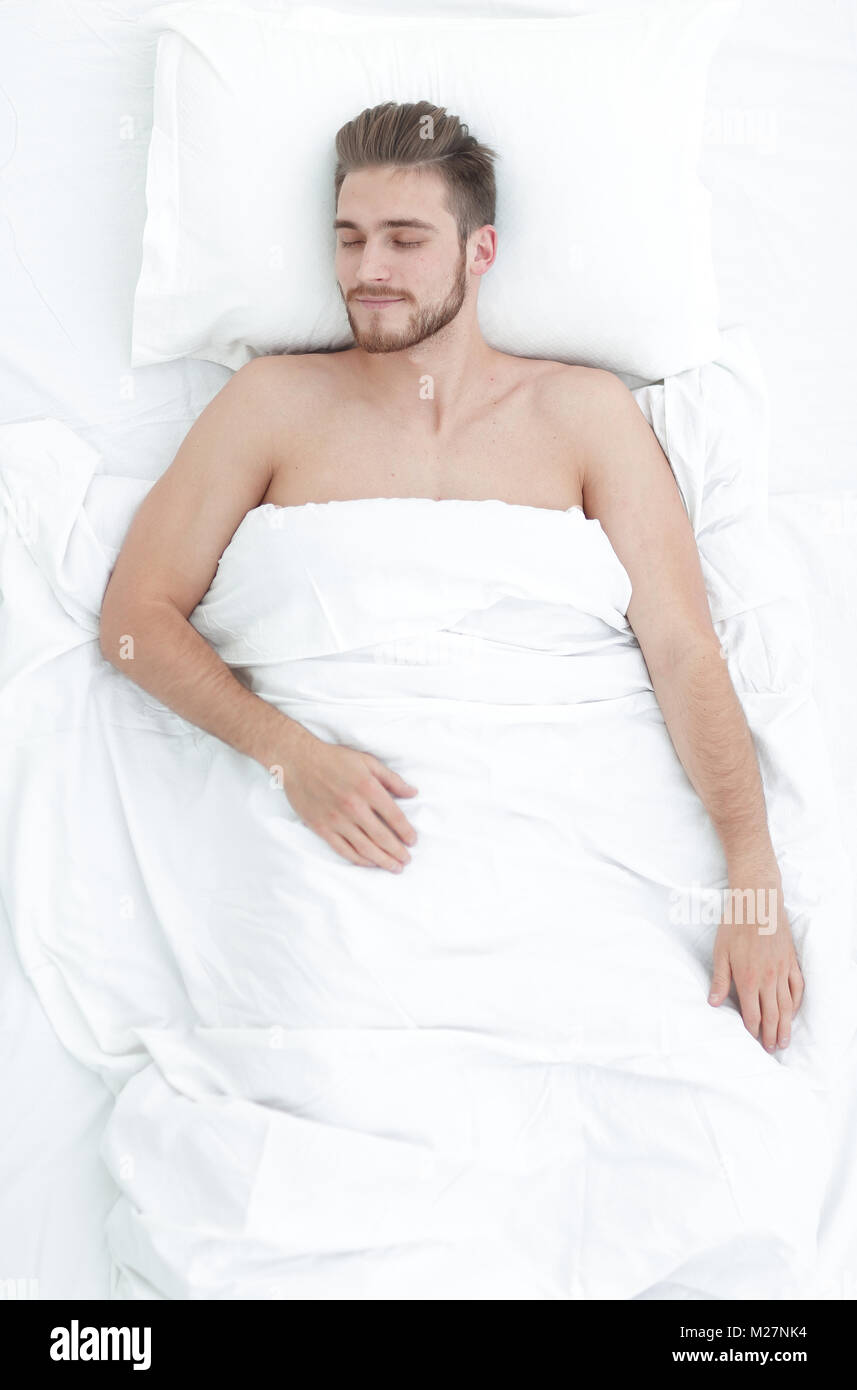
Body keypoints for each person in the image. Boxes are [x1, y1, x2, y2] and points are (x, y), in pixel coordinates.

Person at [99, 100, 802, 1056]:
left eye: (403, 239)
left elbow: (682, 647)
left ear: (480, 252)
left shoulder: (583, 413)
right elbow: (136, 620)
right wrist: (289, 756)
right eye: (347, 240)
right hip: (339, 857)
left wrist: (752, 884)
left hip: (570, 844)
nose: (368, 272)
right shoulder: (270, 403)